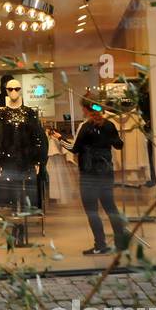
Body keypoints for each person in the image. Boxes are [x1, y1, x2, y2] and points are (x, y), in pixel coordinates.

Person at [49, 95, 131, 256]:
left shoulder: (85, 127)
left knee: (92, 211)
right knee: (110, 207)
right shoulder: (109, 125)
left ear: (86, 109)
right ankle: (121, 243)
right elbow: (119, 145)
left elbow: (74, 149)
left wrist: (60, 138)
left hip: (89, 174)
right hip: (106, 172)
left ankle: (100, 245)